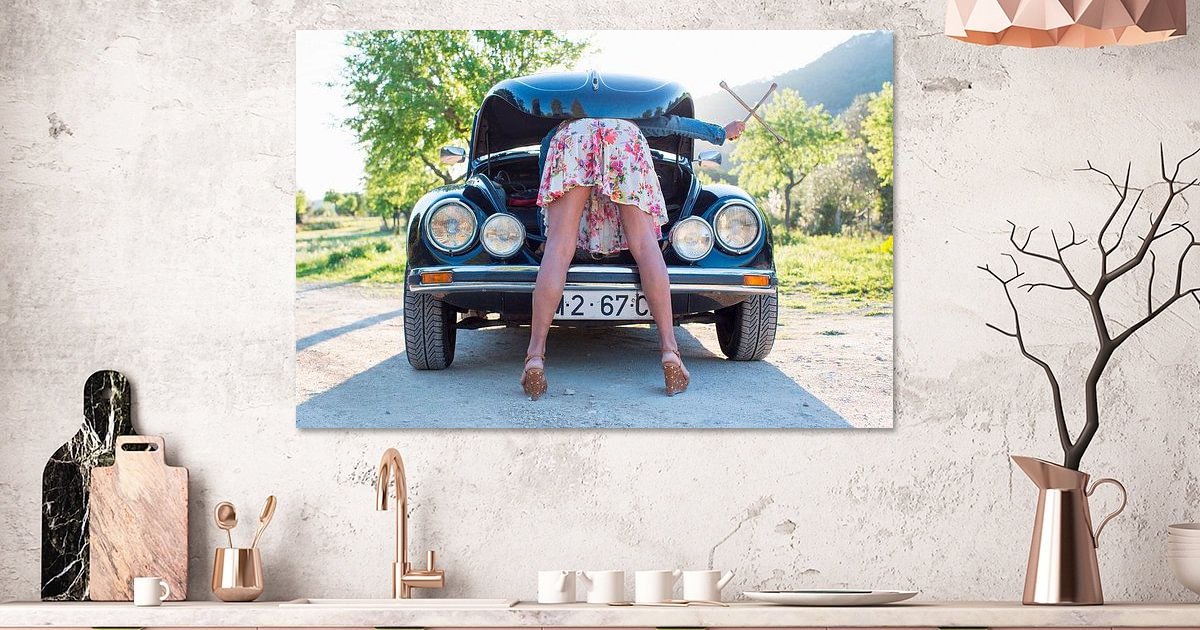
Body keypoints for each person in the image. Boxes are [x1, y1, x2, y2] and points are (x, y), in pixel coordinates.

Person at [521, 114, 745, 400]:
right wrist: (720, 133)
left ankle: (535, 356)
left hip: (570, 138)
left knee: (558, 247)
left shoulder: (561, 112)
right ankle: (670, 352)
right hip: (624, 136)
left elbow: (545, 155)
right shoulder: (626, 104)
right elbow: (669, 123)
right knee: (645, 245)